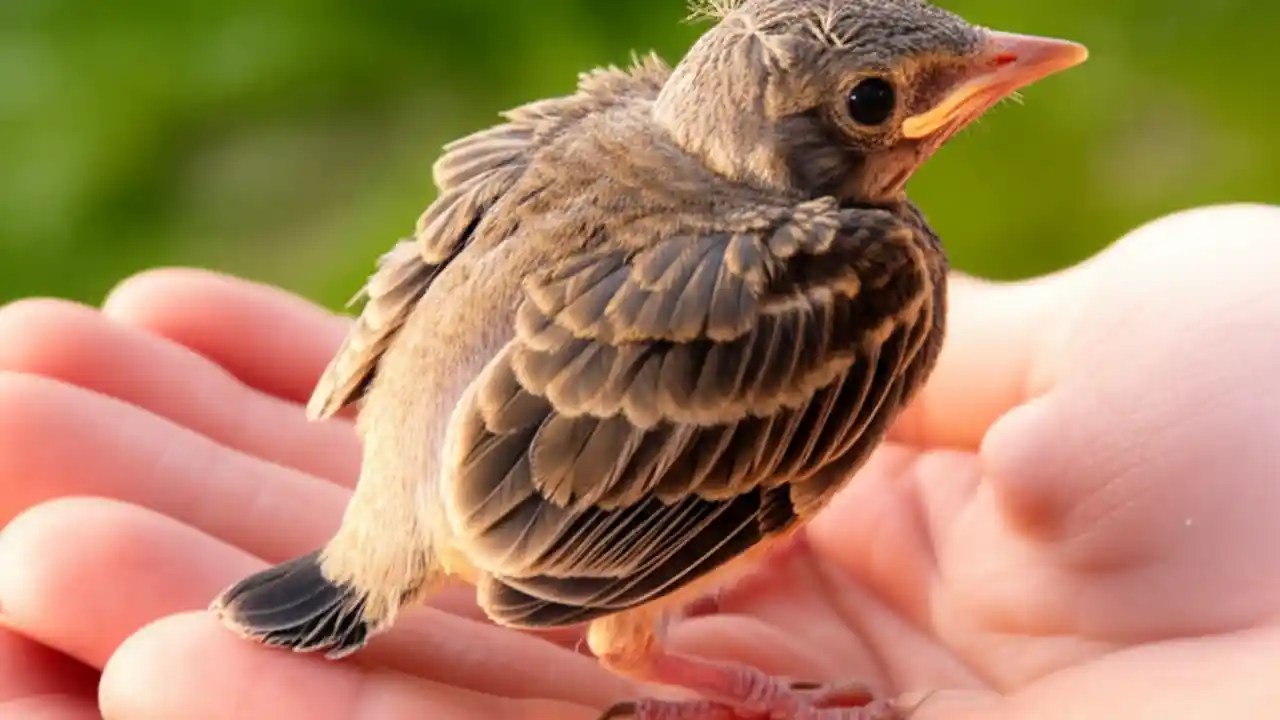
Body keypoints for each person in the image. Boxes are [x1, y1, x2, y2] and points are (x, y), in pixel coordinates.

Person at [0, 204, 1277, 720]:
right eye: (877, 105)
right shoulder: (850, 271)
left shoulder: (763, 241)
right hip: (536, 515)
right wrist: (751, 687)